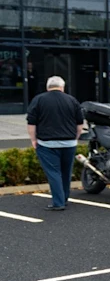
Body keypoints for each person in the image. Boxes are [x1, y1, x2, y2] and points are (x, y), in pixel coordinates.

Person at [26, 76, 84, 211]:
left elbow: (31, 123)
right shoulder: (72, 100)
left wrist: (33, 140)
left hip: (47, 144)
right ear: (62, 87)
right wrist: (75, 138)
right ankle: (64, 198)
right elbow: (80, 124)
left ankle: (58, 202)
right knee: (66, 171)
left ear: (48, 87)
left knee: (53, 172)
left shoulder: (39, 100)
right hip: (69, 143)